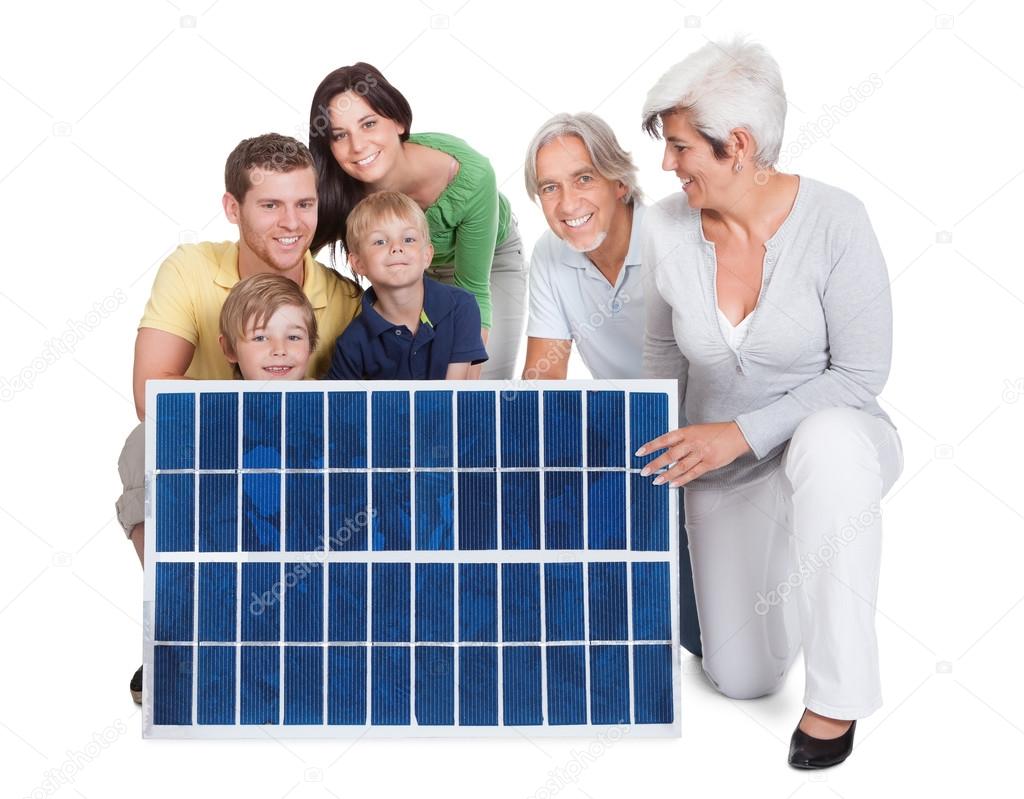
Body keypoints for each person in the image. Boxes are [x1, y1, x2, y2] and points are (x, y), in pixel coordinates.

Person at [637, 37, 903, 769]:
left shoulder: (837, 221)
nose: (668, 163)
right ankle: (786, 566)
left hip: (837, 442)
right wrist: (665, 450)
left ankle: (836, 697)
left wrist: (740, 432)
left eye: (682, 146)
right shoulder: (663, 226)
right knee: (741, 679)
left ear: (740, 146)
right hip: (724, 467)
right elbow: (662, 356)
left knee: (830, 442)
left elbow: (860, 374)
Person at [117, 133, 361, 702]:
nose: (291, 223)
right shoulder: (192, 268)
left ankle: (308, 633)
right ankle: (185, 629)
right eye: (270, 205)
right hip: (206, 453)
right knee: (141, 443)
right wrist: (254, 421)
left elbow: (355, 417)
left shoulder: (343, 298)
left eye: (304, 204)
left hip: (298, 468)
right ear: (234, 208)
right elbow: (151, 394)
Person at [521, 111, 702, 657]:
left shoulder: (679, 237)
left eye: (583, 179)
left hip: (705, 441)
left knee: (705, 646)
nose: (567, 203)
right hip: (629, 440)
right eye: (549, 188)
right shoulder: (551, 257)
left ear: (619, 181)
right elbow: (543, 381)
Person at [307, 62, 525, 379]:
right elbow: (295, 249)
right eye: (341, 135)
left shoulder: (471, 174)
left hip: (487, 261)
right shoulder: (336, 186)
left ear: (397, 121)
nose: (357, 147)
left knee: (485, 380)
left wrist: (467, 399)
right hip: (407, 269)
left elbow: (474, 291)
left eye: (368, 124)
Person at [325, 191, 487, 380]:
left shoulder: (461, 307)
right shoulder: (352, 342)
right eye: (380, 241)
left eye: (408, 239)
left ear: (427, 255)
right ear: (358, 263)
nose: (396, 247)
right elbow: (341, 406)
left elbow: (453, 394)